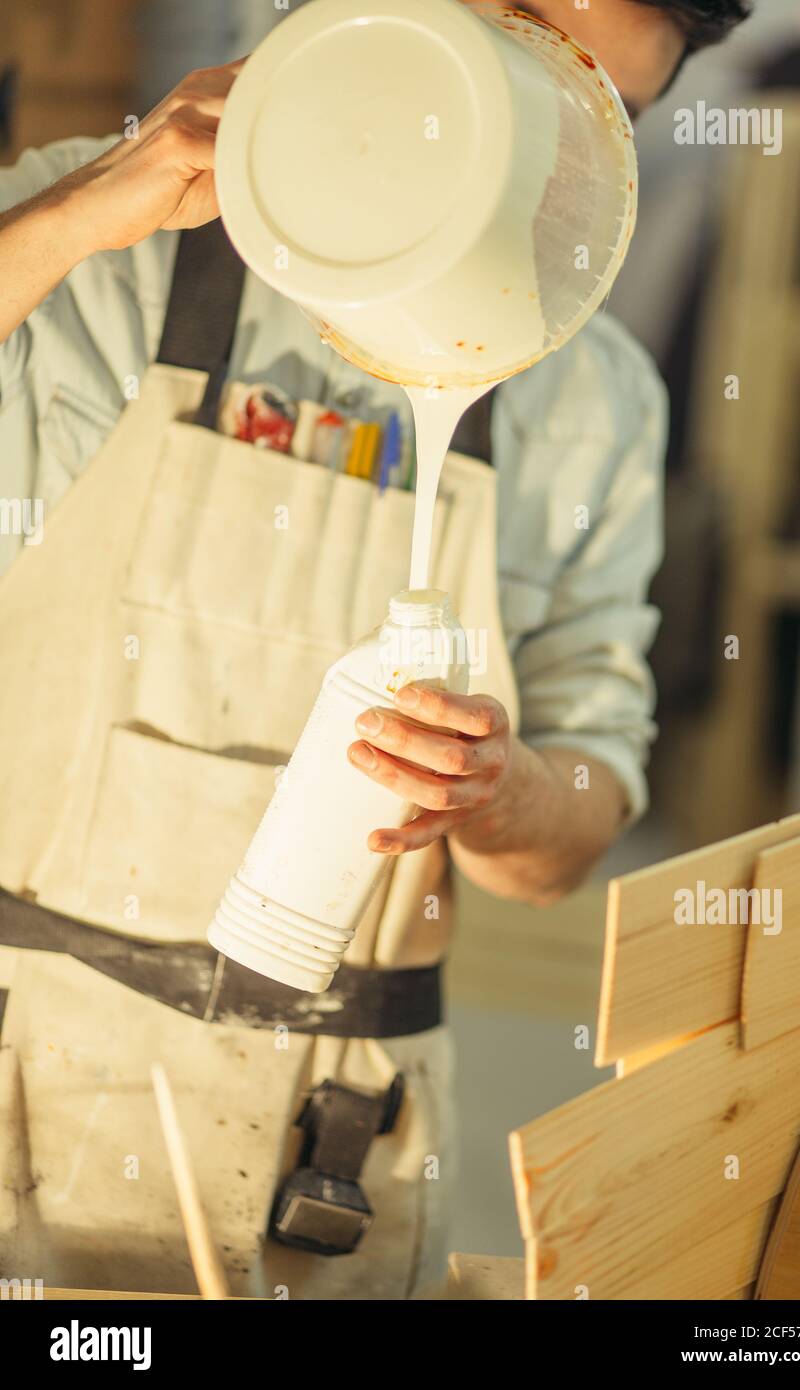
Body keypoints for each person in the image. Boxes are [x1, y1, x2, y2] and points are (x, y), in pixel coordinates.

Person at [0, 0, 751, 1299]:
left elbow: (570, 830)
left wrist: (507, 794)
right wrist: (76, 217)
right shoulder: (98, 237)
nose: (534, 149)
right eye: (518, 69)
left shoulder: (594, 398)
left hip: (331, 1150)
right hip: (26, 1075)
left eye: (597, 119)